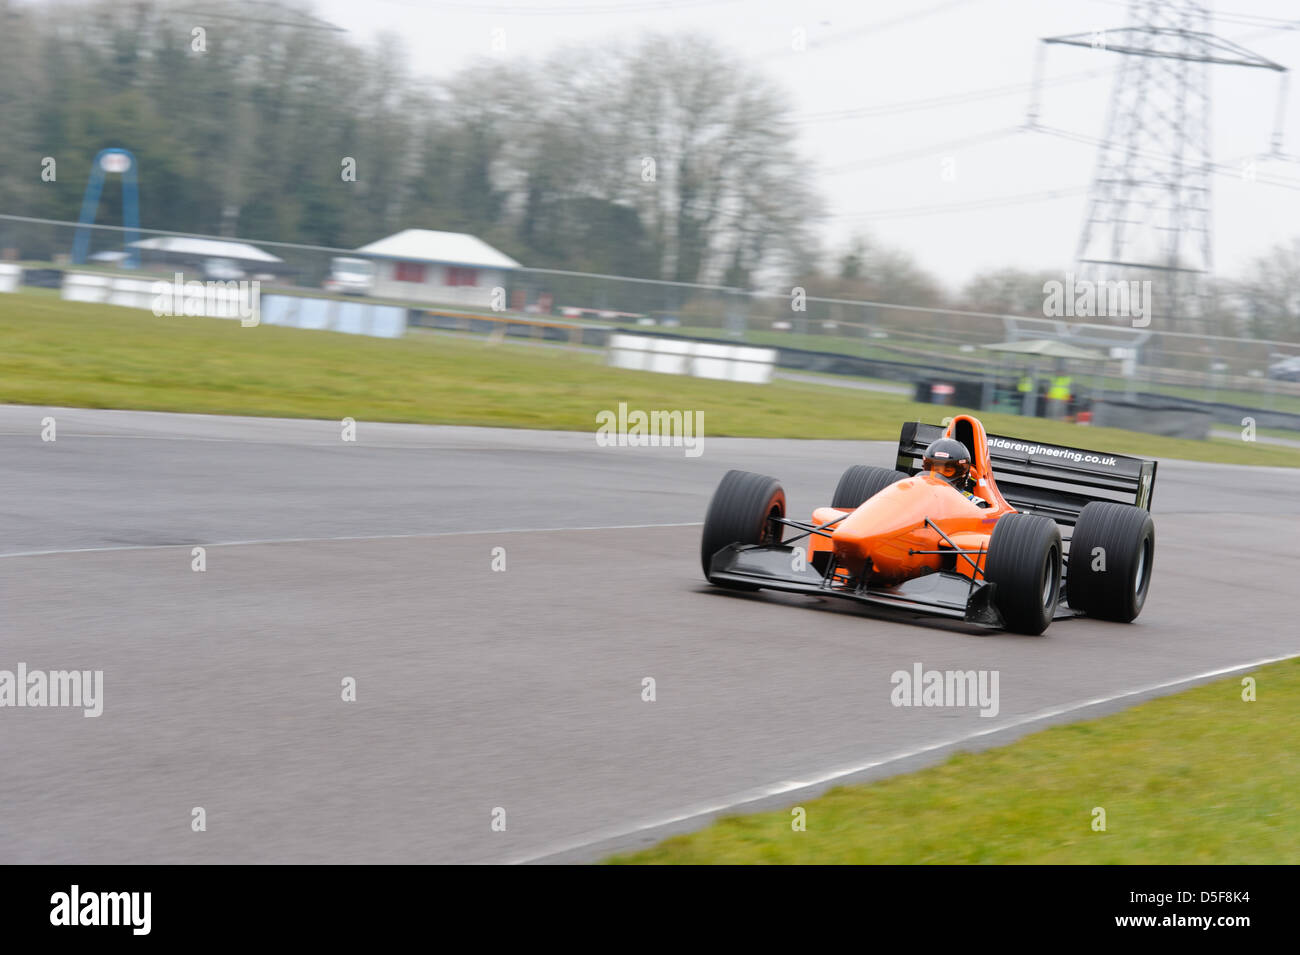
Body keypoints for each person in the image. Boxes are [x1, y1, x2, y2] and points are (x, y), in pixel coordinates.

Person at [921, 437, 989, 507]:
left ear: (962, 474)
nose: (939, 476)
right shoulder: (915, 493)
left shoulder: (973, 505)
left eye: (947, 471)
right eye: (936, 470)